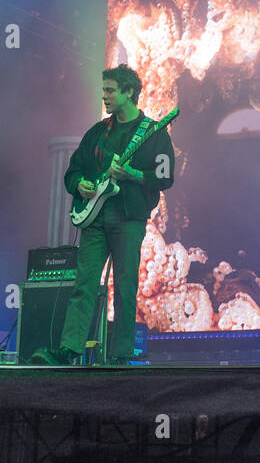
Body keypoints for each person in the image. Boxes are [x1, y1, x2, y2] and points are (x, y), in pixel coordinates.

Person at [33, 65, 174, 365]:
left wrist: (133, 173)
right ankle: (70, 350)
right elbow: (73, 171)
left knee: (125, 287)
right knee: (83, 284)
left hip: (129, 219)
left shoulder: (153, 132)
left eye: (110, 90)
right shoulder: (98, 132)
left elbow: (165, 175)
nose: (104, 95)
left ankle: (121, 355)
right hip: (95, 220)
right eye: (104, 89)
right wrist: (79, 184)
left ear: (128, 93)